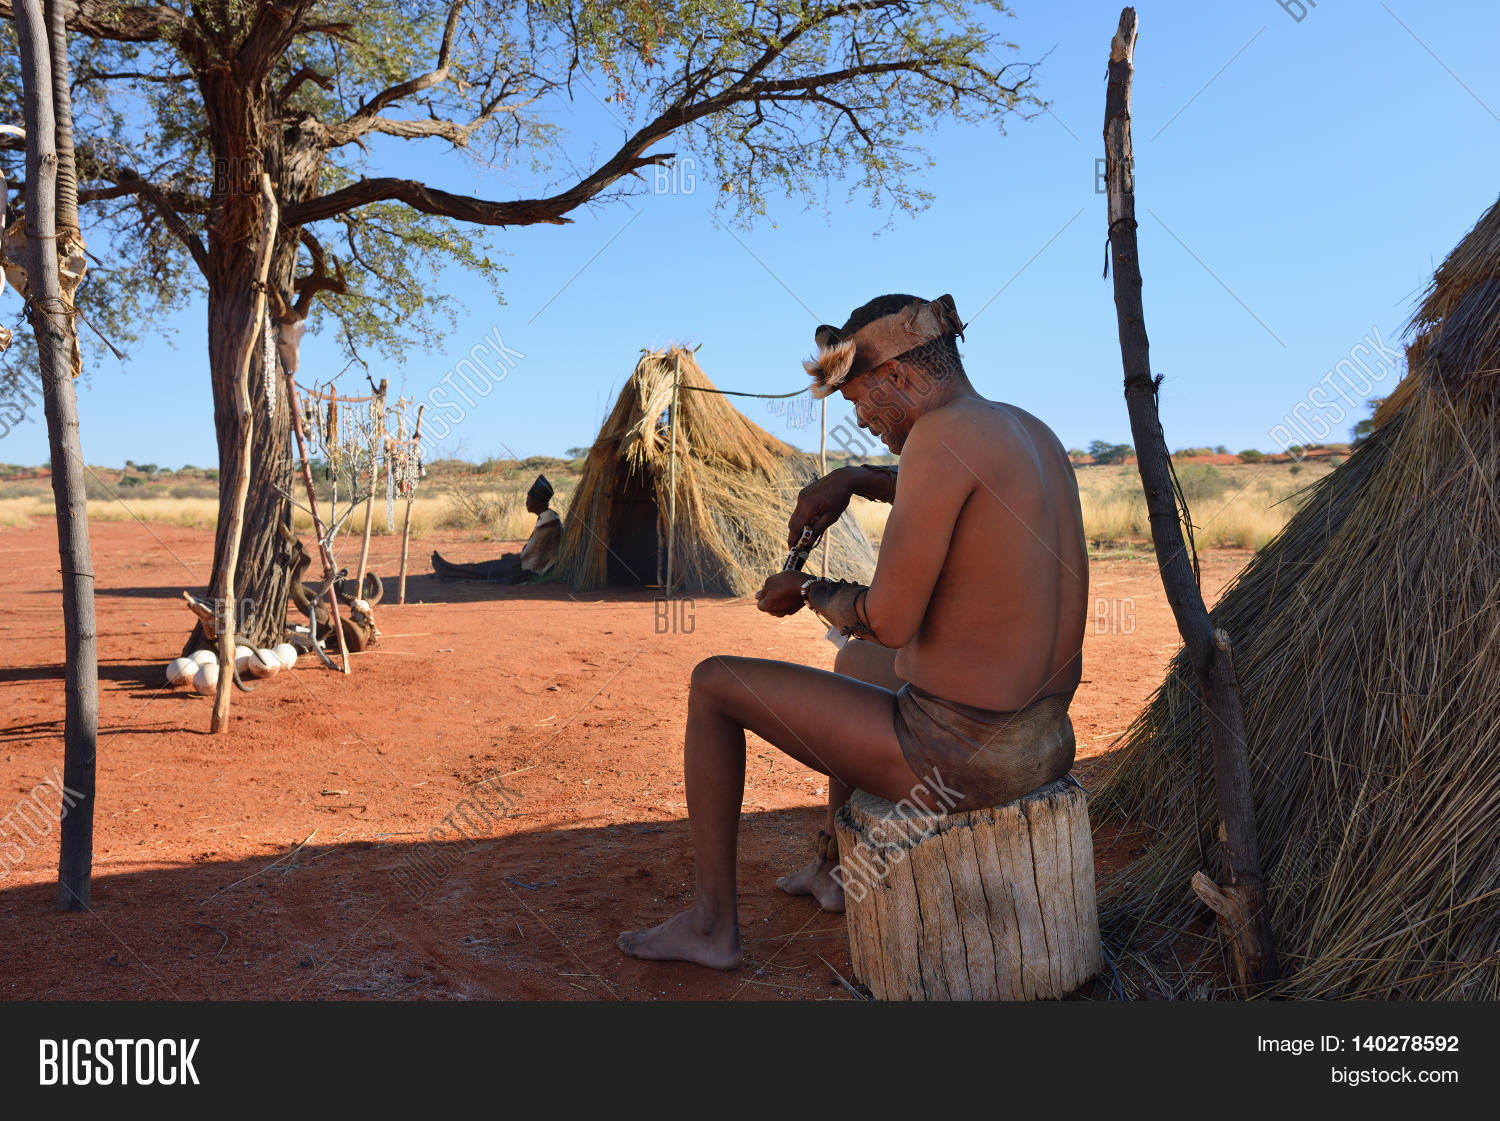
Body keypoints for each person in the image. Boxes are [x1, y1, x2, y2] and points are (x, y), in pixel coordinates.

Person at [617, 293, 1088, 970]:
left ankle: (712, 924)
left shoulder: (939, 436)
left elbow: (890, 618)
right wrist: (856, 479)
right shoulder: (1025, 430)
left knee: (713, 684)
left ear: (899, 376)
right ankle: (836, 871)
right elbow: (960, 486)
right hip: (1045, 739)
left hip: (959, 760)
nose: (863, 420)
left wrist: (806, 590)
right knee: (861, 668)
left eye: (863, 401)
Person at [430, 474, 562, 583]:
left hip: (529, 569)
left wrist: (517, 557)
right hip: (526, 563)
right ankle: (450, 569)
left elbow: (533, 554)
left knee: (488, 569)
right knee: (489, 567)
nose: (526, 503)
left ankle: (450, 571)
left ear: (538, 503)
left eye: (529, 500)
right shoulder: (548, 517)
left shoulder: (548, 522)